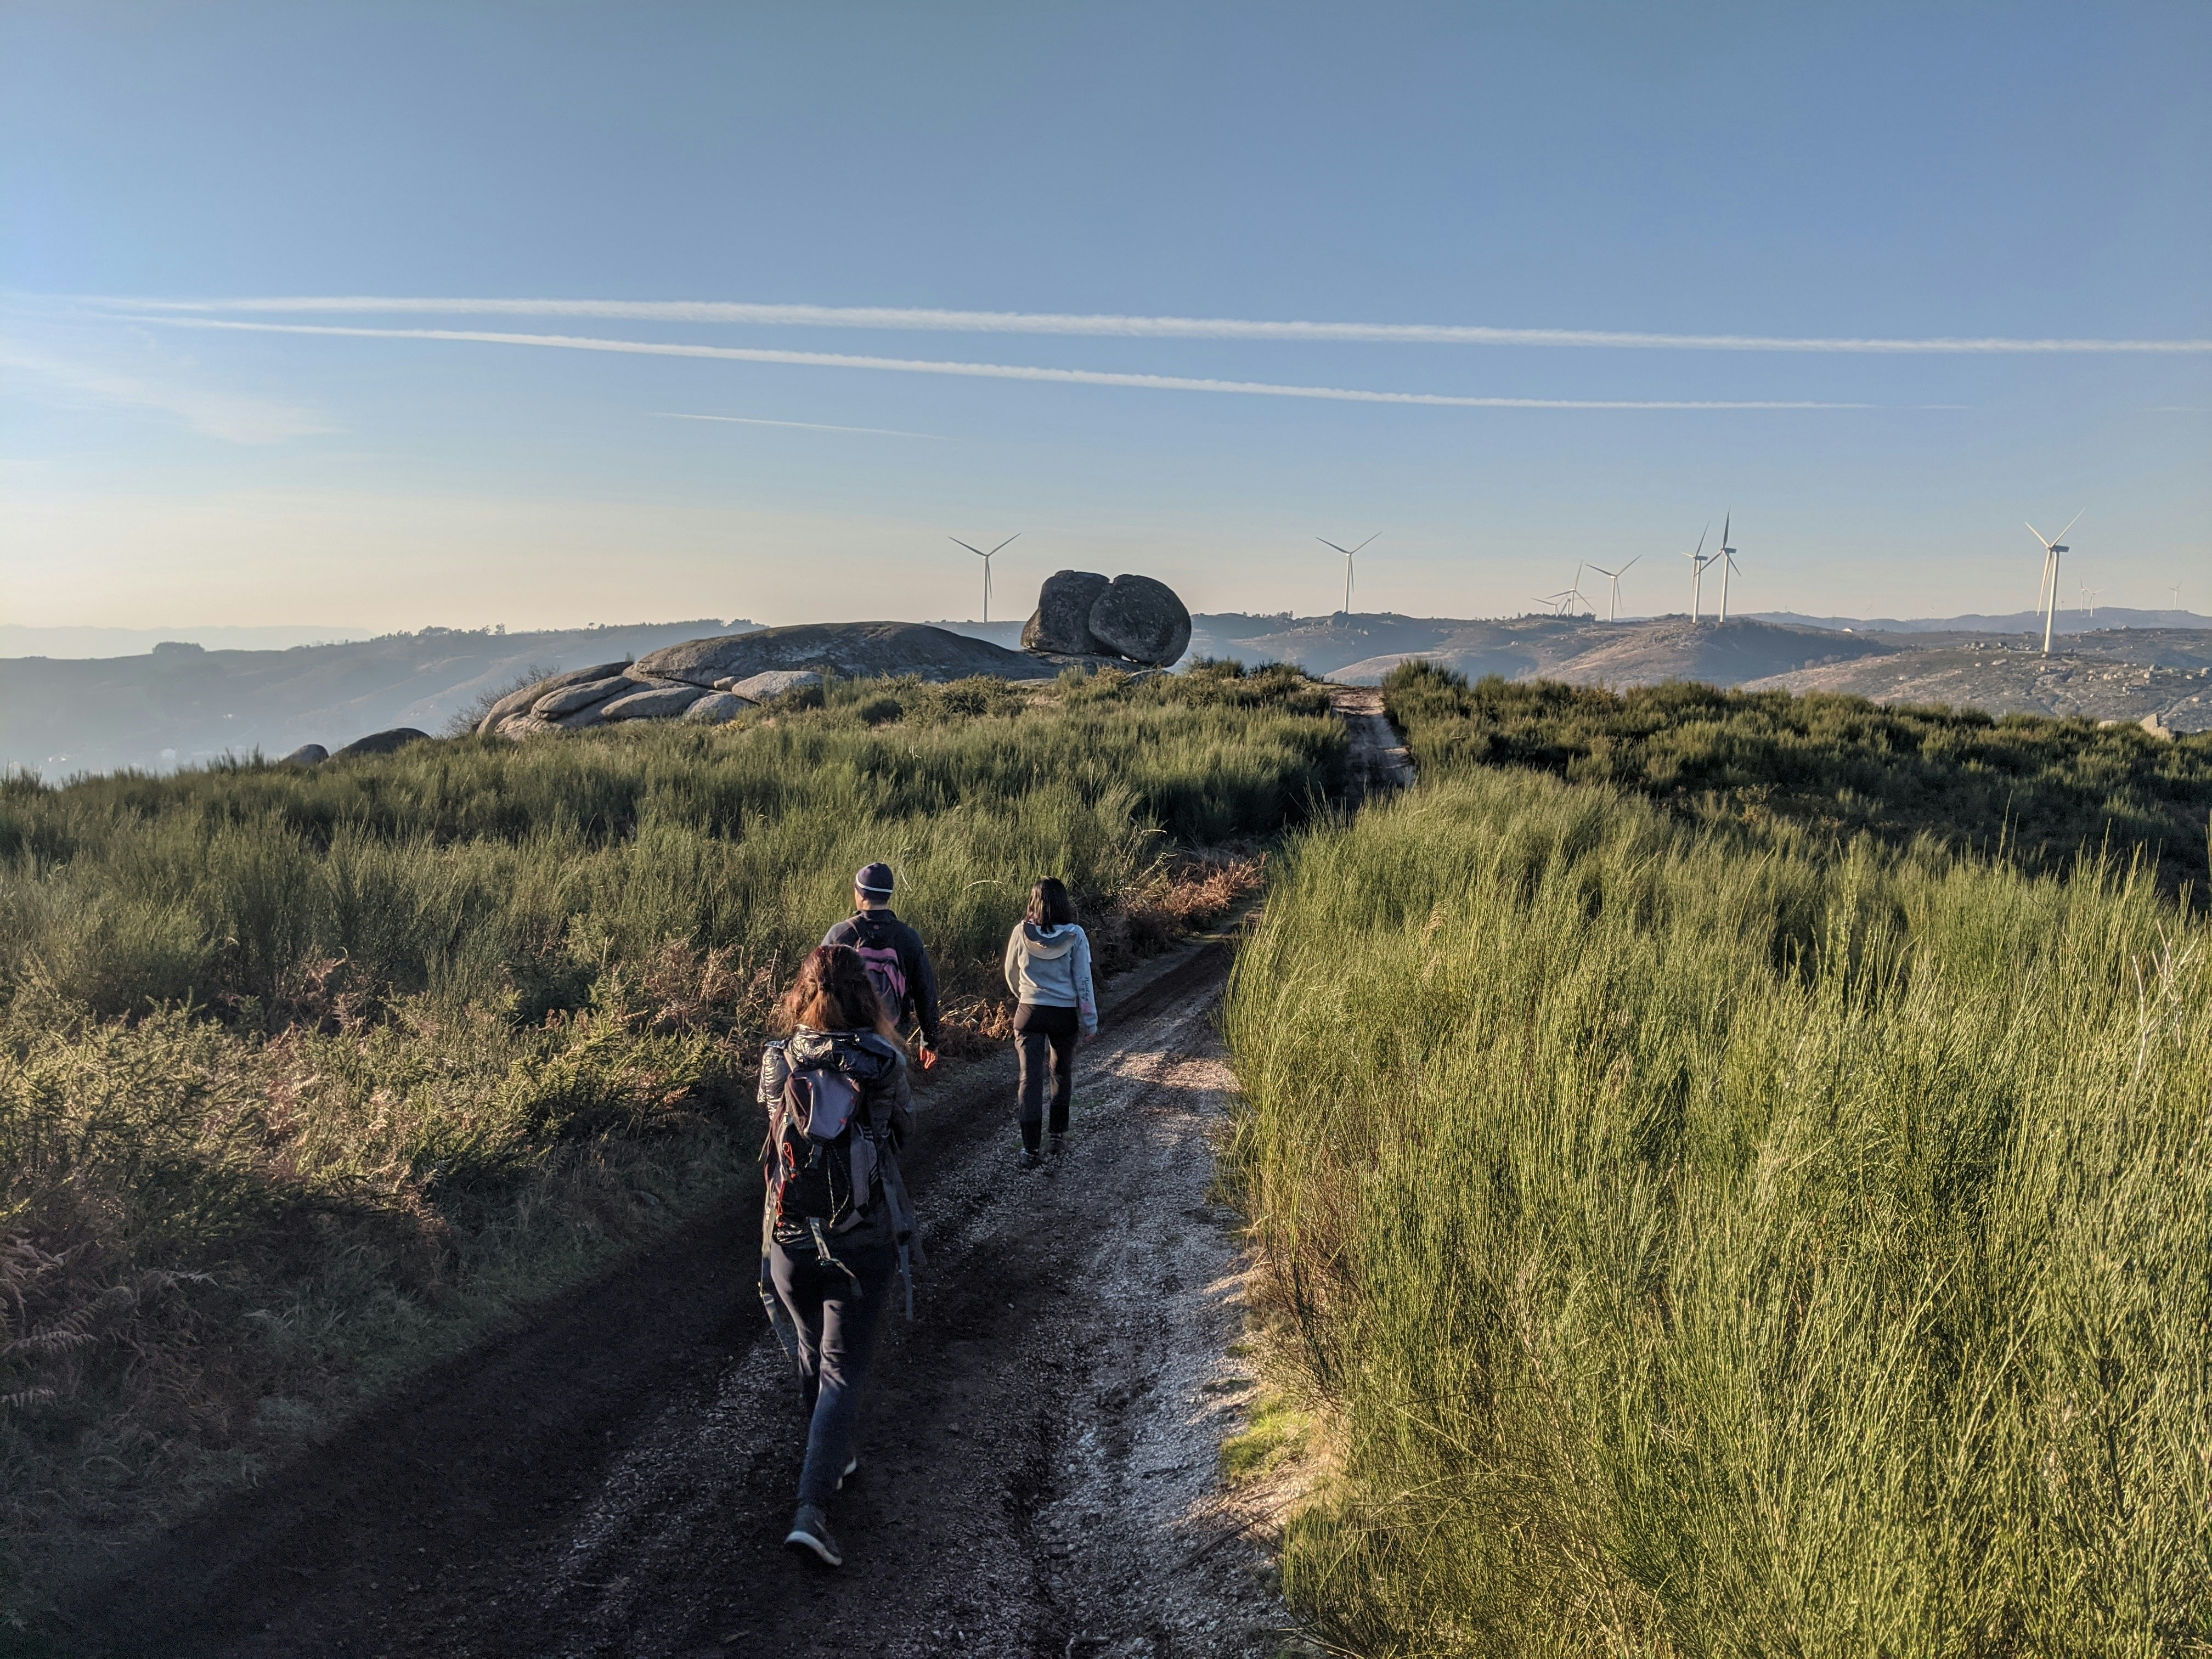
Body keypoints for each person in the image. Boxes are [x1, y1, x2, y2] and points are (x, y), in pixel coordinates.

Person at [759, 945, 918, 1568]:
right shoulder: (883, 1060)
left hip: (788, 1239)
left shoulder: (778, 1058)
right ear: (866, 996)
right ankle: (812, 1512)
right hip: (861, 1235)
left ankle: (833, 1455)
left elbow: (772, 1128)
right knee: (841, 1370)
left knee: (810, 1349)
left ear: (803, 993)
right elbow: (901, 1133)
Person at [1001, 877, 1098, 1168]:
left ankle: (1030, 1151)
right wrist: (1090, 1021)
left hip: (1029, 1011)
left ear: (1034, 902)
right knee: (1060, 1073)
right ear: (1062, 903)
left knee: (1029, 1080)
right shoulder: (1076, 934)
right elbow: (1083, 980)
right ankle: (1057, 1138)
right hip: (1064, 1014)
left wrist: (1026, 996)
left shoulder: (1021, 932)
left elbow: (1010, 974)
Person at [823, 862, 941, 1068]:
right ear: (888, 896)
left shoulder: (840, 935)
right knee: (890, 1094)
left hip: (848, 1039)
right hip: (893, 1038)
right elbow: (926, 993)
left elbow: (816, 986)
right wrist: (929, 1041)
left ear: (861, 895)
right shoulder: (908, 937)